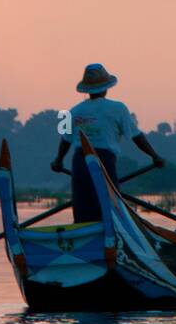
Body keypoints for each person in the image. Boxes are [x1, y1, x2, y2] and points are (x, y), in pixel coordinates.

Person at [51, 62, 164, 222]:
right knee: (110, 208)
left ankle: (85, 237)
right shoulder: (118, 108)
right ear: (106, 87)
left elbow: (65, 141)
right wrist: (155, 156)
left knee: (83, 208)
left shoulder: (73, 111)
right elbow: (136, 136)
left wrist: (58, 160)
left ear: (87, 89)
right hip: (104, 162)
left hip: (80, 164)